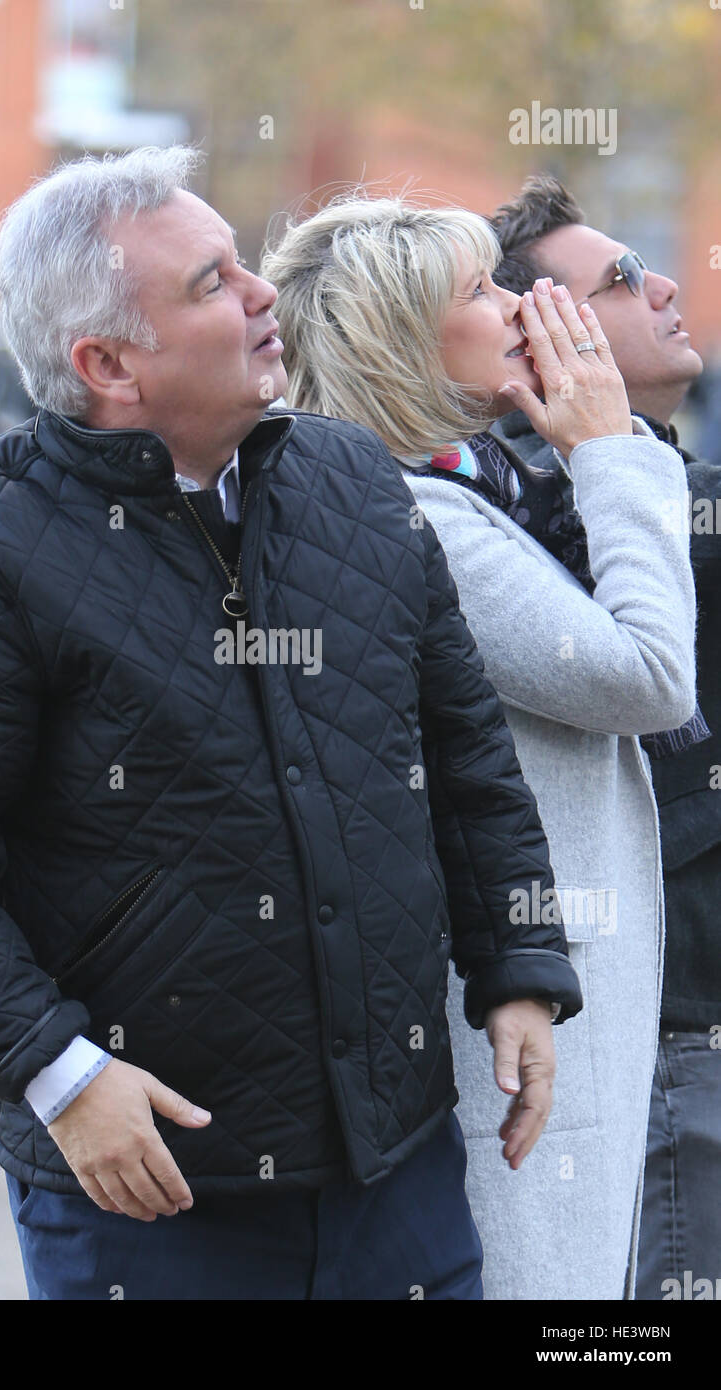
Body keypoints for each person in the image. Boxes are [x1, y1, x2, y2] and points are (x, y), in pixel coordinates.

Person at [0, 146, 582, 1301]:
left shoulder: (352, 480)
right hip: (155, 1198)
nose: (261, 293)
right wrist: (60, 1072)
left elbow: (459, 750)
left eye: (240, 263)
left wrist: (519, 964)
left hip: (396, 1168)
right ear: (106, 363)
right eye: (210, 282)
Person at [262, 194, 698, 1299]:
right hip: (516, 1027)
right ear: (399, 340)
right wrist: (612, 449)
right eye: (480, 291)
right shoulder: (424, 515)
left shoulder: (467, 491)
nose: (518, 308)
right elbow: (645, 679)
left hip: (548, 1002)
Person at [489, 174, 721, 1302]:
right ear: (536, 336)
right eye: (621, 279)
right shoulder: (531, 525)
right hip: (666, 1021)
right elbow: (644, 688)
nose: (666, 286)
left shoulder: (664, 490)